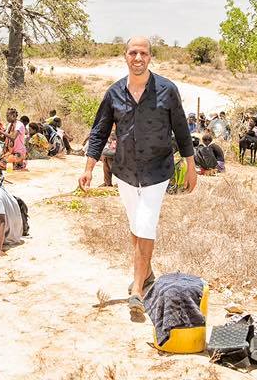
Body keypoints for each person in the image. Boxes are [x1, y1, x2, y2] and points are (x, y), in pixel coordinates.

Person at [80, 36, 197, 319]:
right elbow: (99, 131)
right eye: (133, 52)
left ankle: (138, 292)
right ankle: (146, 273)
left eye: (143, 53)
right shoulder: (114, 93)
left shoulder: (167, 90)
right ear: (125, 56)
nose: (138, 58)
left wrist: (191, 166)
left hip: (158, 171)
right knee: (136, 226)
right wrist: (88, 167)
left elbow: (181, 130)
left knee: (145, 225)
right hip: (125, 172)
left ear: (150, 57)